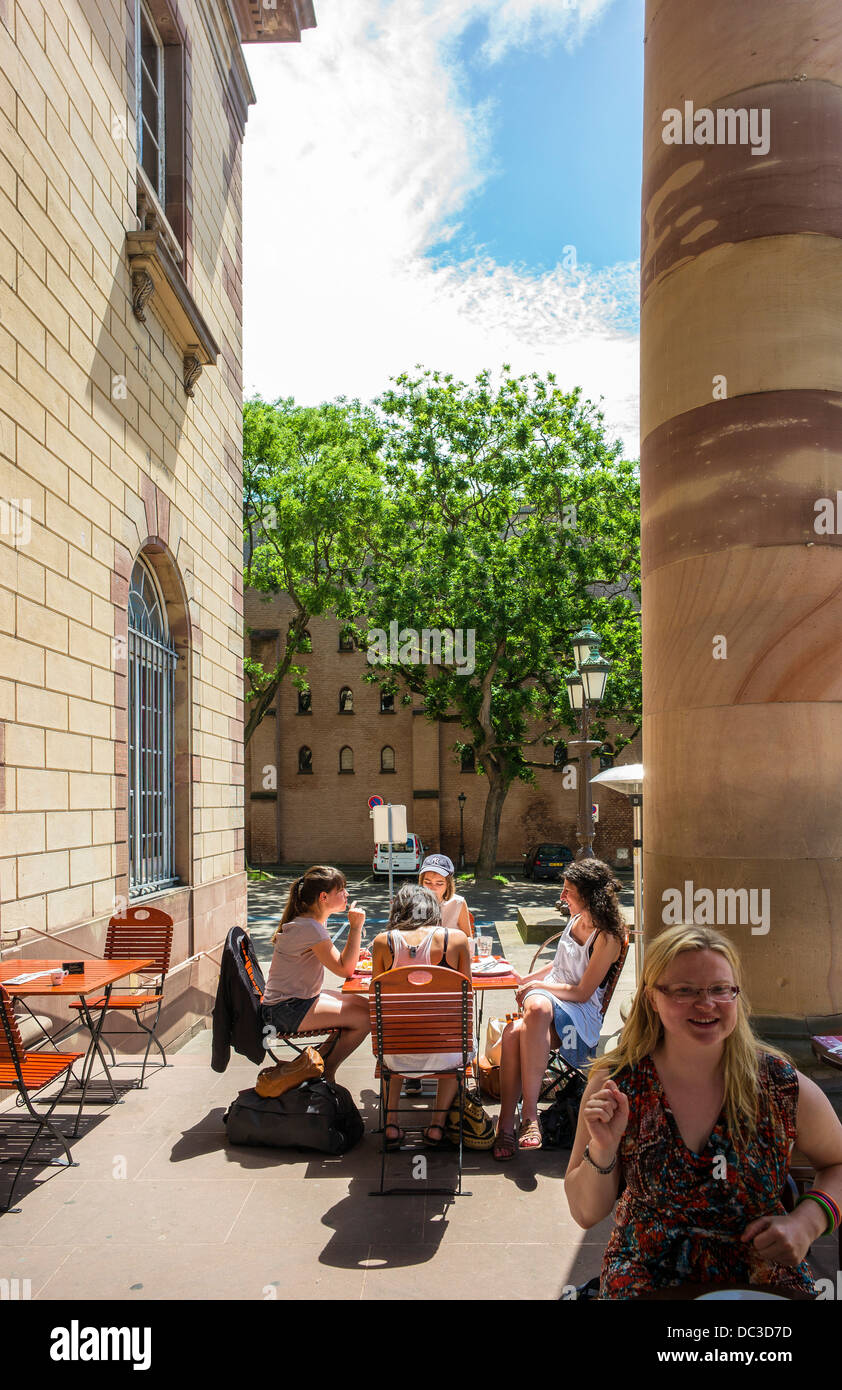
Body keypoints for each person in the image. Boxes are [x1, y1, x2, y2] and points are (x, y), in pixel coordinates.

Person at [565, 923, 842, 1299]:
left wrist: (807, 1223)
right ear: (652, 998)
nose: (706, 1003)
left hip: (760, 1275)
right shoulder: (617, 1082)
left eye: (719, 989)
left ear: (736, 995)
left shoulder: (779, 1084)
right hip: (647, 1275)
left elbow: (838, 1163)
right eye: (684, 991)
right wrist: (603, 1149)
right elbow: (585, 1213)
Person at [493, 858, 625, 1160]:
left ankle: (509, 1124)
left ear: (589, 894)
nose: (562, 896)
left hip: (579, 1011)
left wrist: (536, 988)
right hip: (551, 1001)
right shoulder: (575, 919)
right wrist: (526, 979)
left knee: (517, 1031)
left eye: (568, 891)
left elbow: (581, 992)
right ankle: (528, 1119)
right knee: (536, 1009)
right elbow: (559, 966)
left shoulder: (607, 937)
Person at [370, 883, 473, 1148]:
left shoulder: (383, 942)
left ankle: (391, 1124)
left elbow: (378, 999)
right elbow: (466, 996)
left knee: (395, 1032)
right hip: (447, 1053)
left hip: (395, 1053)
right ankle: (437, 1127)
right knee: (454, 1041)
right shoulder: (456, 940)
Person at [257, 865, 371, 1095]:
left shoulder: (310, 923)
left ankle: (317, 1067)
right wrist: (356, 928)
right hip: (287, 1009)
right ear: (324, 897)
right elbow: (344, 969)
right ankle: (325, 1073)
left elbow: (337, 960)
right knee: (366, 1017)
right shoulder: (310, 929)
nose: (347, 894)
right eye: (342, 890)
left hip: (293, 1002)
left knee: (366, 1007)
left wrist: (353, 952)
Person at [418, 854, 472, 935]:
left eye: (439, 883)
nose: (432, 888)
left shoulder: (458, 903)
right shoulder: (415, 903)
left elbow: (468, 940)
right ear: (421, 882)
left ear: (448, 884)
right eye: (427, 882)